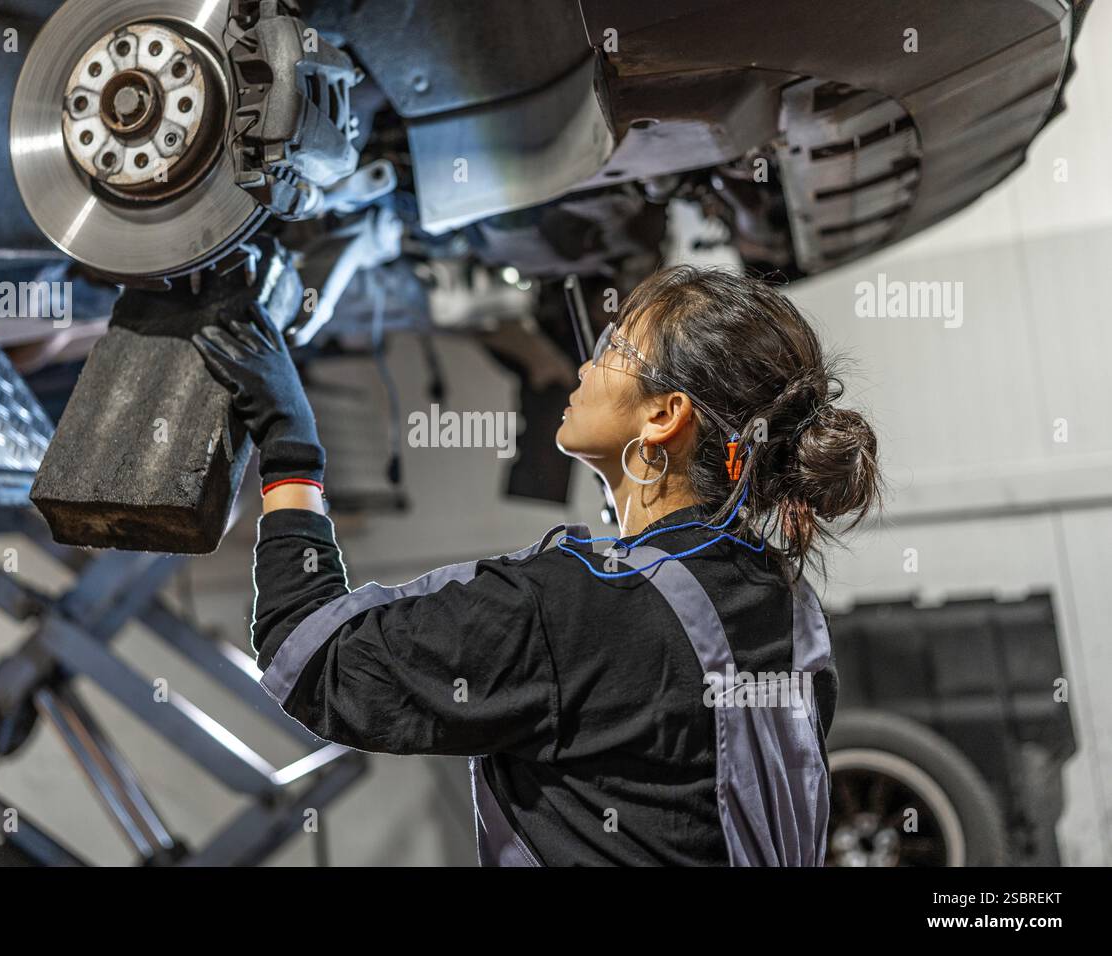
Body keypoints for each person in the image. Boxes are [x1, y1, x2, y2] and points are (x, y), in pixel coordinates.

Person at [193, 264, 881, 866]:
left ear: (666, 416)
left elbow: (311, 657)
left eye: (614, 348)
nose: (583, 365)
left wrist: (291, 450)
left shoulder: (577, 606)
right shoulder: (783, 605)